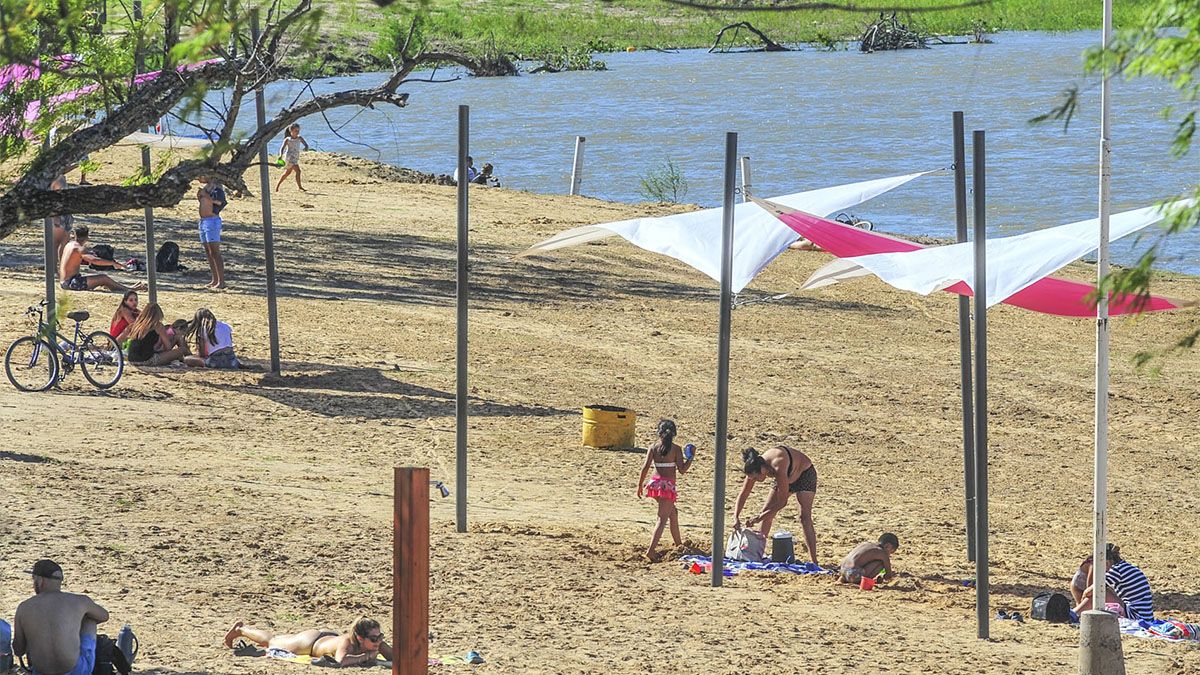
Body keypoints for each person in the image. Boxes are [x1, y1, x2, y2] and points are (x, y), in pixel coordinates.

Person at [12, 559, 109, 675]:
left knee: (32, 629)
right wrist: (72, 624)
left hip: (41, 672)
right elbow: (104, 616)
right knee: (89, 620)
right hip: (77, 670)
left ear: (40, 581)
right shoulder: (79, 601)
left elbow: (18, 650)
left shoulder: (24, 607)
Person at [734, 446, 820, 566]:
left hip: (804, 474)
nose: (755, 480)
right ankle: (759, 554)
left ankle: (814, 560)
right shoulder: (755, 467)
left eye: (755, 477)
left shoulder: (777, 465)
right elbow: (744, 493)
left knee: (804, 518)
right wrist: (736, 516)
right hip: (786, 477)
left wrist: (759, 517)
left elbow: (782, 502)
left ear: (762, 469)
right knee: (767, 512)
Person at [635, 419, 694, 562]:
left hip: (654, 484)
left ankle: (679, 544)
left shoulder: (653, 447)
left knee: (673, 513)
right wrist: (691, 458)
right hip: (667, 487)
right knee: (662, 518)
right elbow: (682, 470)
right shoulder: (676, 449)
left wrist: (640, 485)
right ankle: (650, 551)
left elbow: (645, 467)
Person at [224, 617, 392, 667]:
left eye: (380, 637)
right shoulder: (348, 642)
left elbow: (395, 656)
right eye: (374, 638)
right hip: (310, 643)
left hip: (326, 637)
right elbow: (341, 661)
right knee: (272, 641)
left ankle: (241, 629)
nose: (378, 642)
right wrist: (366, 656)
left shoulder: (378, 644)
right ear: (361, 638)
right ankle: (241, 629)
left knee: (277, 639)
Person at [1073, 543, 1154, 620]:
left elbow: (1094, 589)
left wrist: (1085, 595)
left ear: (1107, 563)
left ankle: (1075, 614)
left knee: (1100, 592)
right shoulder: (1125, 567)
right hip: (1145, 615)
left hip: (1136, 615)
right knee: (1103, 590)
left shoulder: (1117, 570)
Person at [58, 226, 146, 292]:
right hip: (71, 283)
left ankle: (127, 288)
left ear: (75, 235)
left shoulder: (69, 244)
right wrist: (113, 263)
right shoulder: (79, 248)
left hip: (64, 282)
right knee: (104, 278)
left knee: (103, 280)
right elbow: (94, 261)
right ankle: (130, 289)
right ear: (87, 237)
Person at [125, 302, 191, 366]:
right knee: (183, 349)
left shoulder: (137, 324)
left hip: (132, 359)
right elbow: (168, 347)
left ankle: (187, 358)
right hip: (147, 360)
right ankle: (192, 358)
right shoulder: (158, 326)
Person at [197, 176, 227, 289]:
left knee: (215, 252)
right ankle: (214, 279)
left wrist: (205, 196)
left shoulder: (217, 189)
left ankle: (221, 281)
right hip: (203, 221)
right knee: (209, 252)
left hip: (212, 221)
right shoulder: (207, 189)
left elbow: (219, 202)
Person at [275, 123, 310, 192]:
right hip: (289, 157)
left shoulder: (299, 138)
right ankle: (300, 187)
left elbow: (305, 144)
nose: (297, 132)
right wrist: (280, 155)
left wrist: (306, 147)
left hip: (295, 157)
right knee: (298, 171)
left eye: (298, 131)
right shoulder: (288, 139)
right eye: (295, 131)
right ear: (291, 131)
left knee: (287, 173)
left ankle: (277, 186)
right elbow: (282, 148)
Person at [49, 174, 73, 262]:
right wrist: (55, 216)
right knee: (56, 243)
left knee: (65, 242)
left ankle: (62, 268)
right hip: (58, 214)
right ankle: (54, 268)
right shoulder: (53, 179)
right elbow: (51, 198)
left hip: (66, 213)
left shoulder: (62, 176)